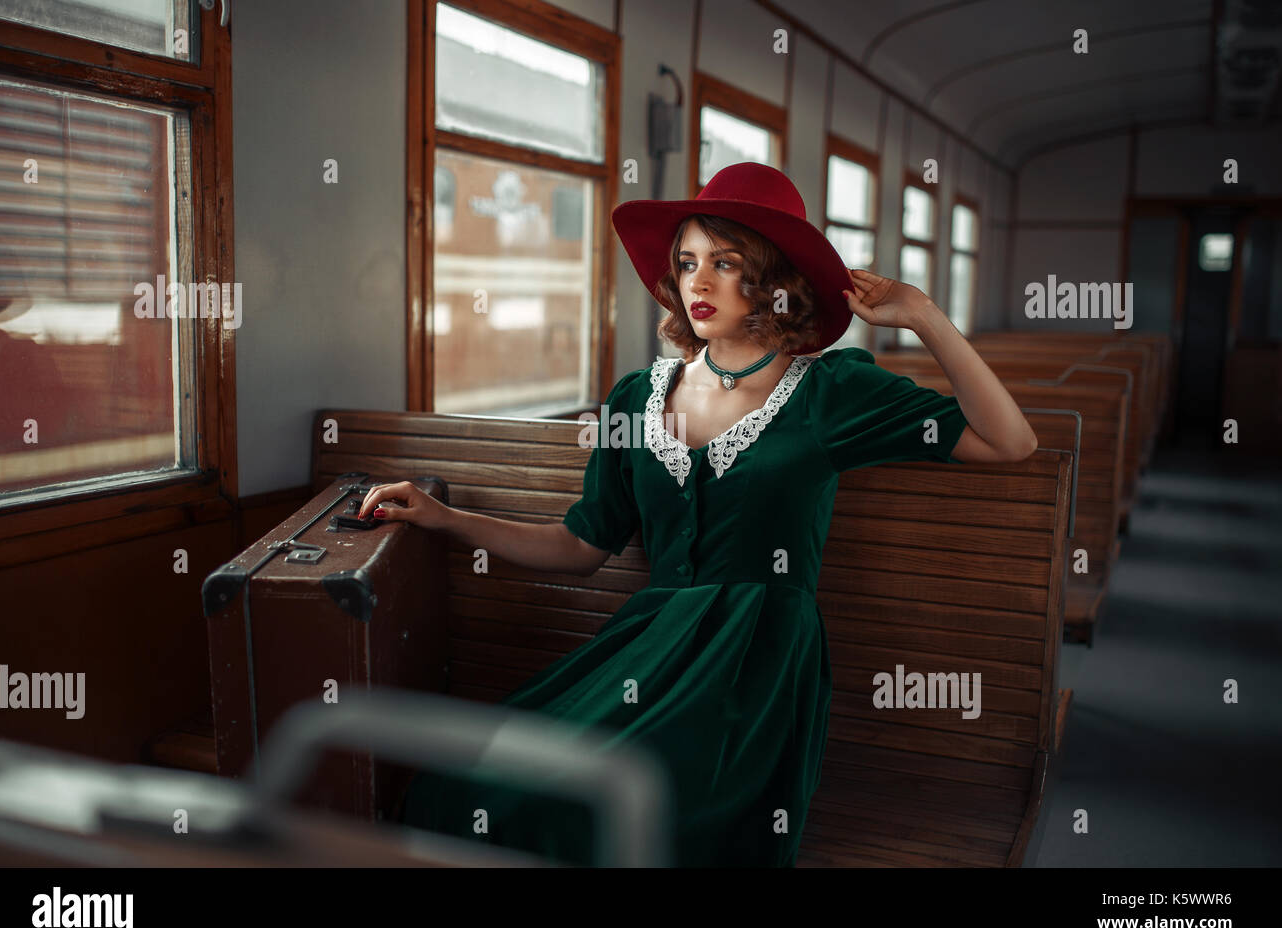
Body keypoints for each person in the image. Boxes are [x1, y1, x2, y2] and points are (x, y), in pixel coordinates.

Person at [361, 162, 1037, 867]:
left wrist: (924, 315)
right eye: (687, 263)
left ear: (774, 280)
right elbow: (581, 543)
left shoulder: (831, 393)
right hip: (649, 650)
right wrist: (445, 519)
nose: (699, 283)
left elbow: (1010, 441)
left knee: (600, 816)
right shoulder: (633, 399)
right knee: (463, 787)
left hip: (754, 671)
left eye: (726, 262)